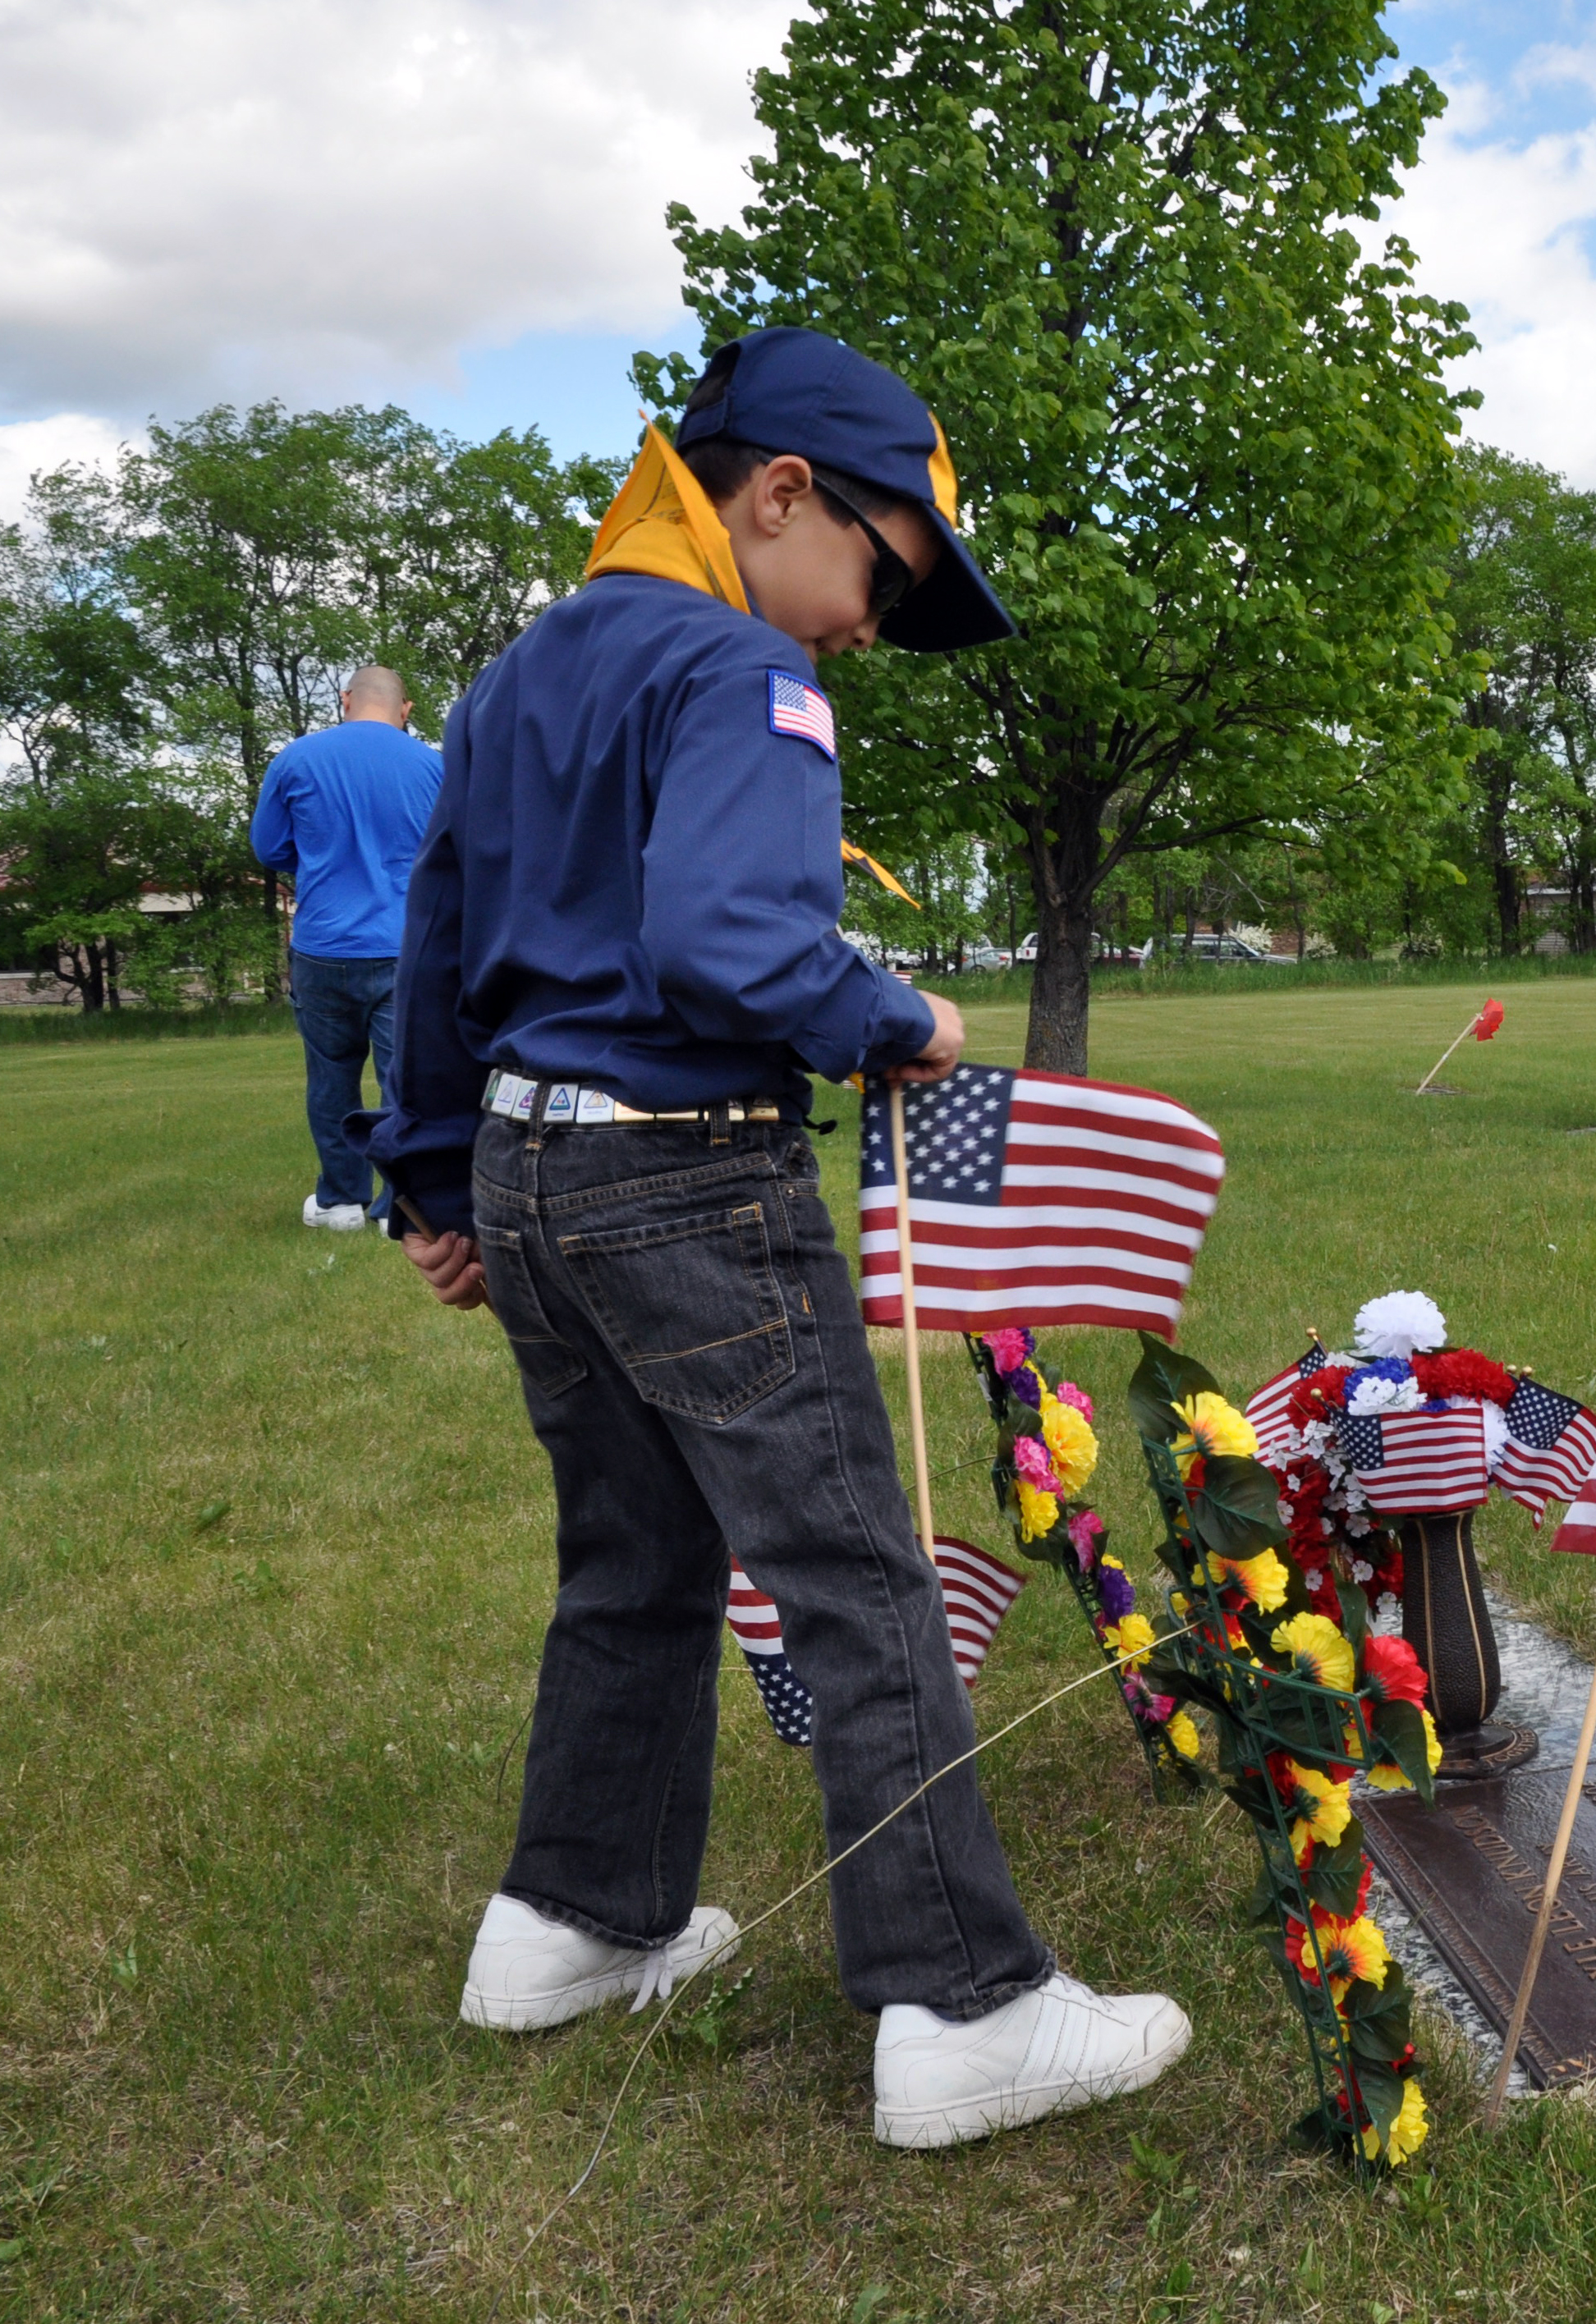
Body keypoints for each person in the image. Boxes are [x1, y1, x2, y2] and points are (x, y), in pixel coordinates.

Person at [363, 327, 1190, 2148]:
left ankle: (569, 1919)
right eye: (885, 576)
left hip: (527, 1168)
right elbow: (733, 945)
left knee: (634, 1556)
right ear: (782, 495)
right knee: (858, 1572)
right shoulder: (745, 676)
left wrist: (429, 1177)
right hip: (687, 1174)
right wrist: (902, 1016)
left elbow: (438, 935)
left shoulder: (511, 682)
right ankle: (965, 1999)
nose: (871, 628)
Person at [248, 665, 444, 1230]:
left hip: (323, 946)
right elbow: (455, 853)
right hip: (405, 947)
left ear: (345, 699)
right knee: (401, 1080)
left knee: (331, 1075)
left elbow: (268, 847)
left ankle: (340, 1200)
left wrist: (318, 861)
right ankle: (397, 1206)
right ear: (404, 709)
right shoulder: (434, 767)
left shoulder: (295, 760)